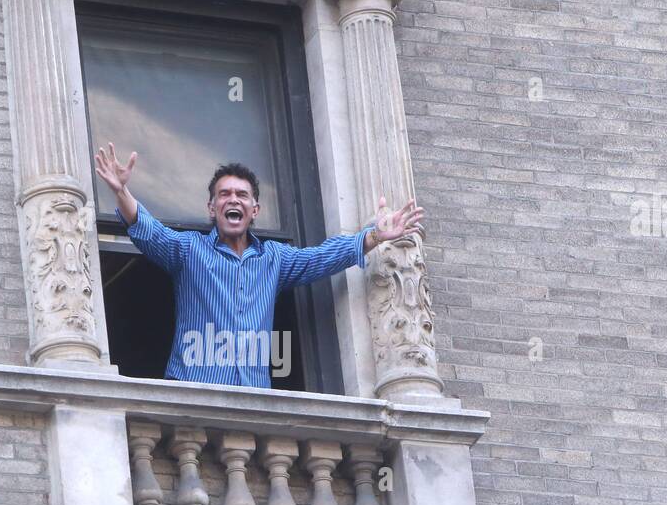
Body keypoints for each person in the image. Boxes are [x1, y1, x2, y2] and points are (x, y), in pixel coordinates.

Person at [93, 142, 424, 388]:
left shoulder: (274, 259)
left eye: (241, 195)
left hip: (253, 397)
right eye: (224, 195)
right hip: (194, 390)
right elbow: (151, 233)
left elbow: (321, 257)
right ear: (212, 208)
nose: (233, 200)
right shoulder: (190, 250)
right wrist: (122, 192)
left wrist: (374, 237)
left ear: (255, 210)